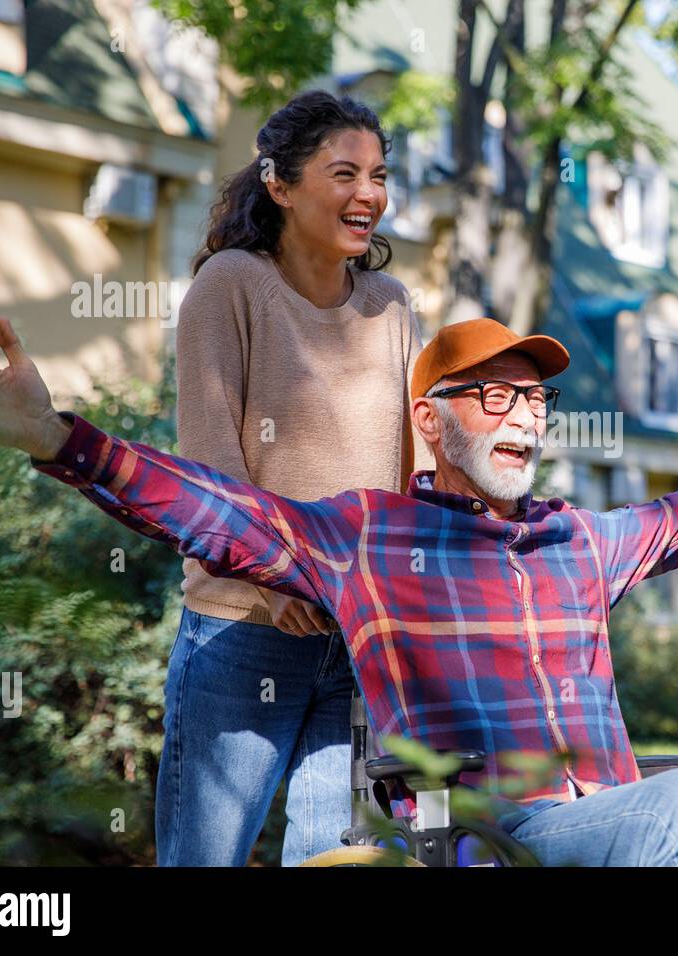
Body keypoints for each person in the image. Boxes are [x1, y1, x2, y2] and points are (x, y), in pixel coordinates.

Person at [0, 315, 678, 866]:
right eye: (495, 393)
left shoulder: (579, 539)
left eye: (534, 395)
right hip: (493, 834)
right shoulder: (369, 535)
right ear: (431, 424)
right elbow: (217, 512)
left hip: (625, 818)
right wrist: (61, 439)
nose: (524, 411)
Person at [160, 90, 428, 865]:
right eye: (345, 173)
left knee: (338, 860)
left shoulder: (391, 306)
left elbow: (416, 468)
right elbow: (211, 462)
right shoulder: (231, 286)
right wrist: (272, 578)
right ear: (280, 184)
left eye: (379, 175)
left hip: (355, 636)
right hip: (244, 628)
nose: (369, 194)